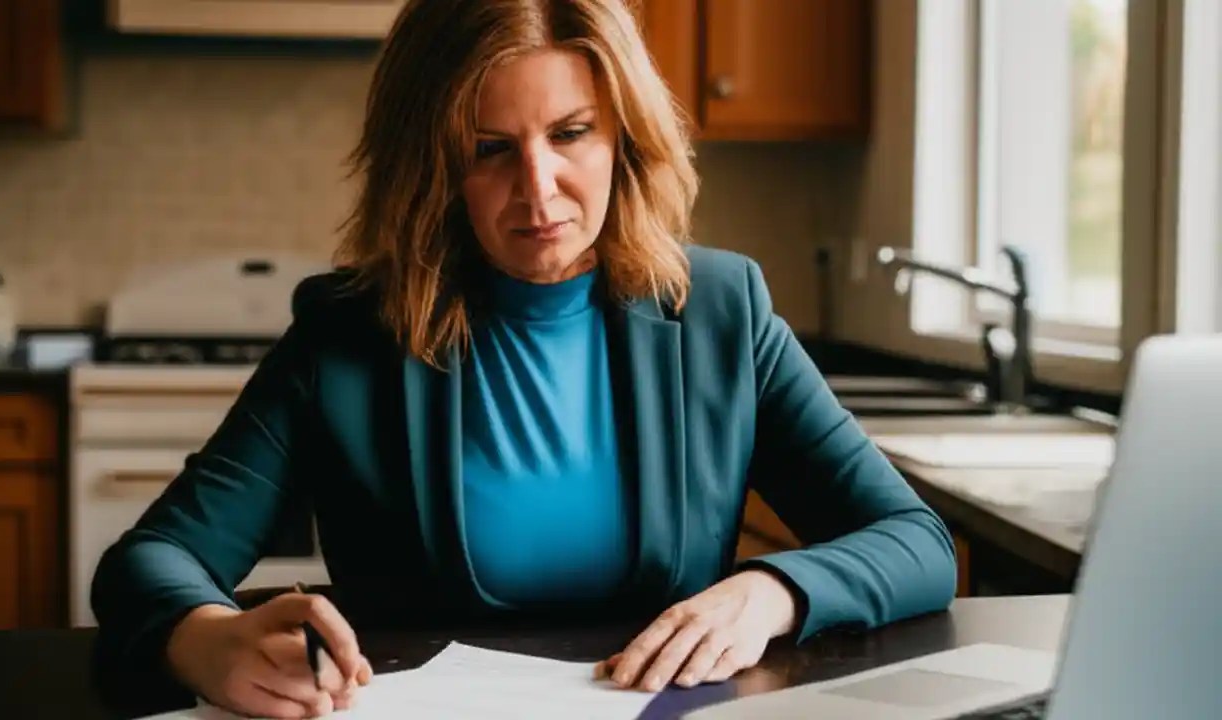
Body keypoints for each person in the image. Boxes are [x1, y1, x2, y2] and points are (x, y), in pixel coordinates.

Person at [91, 0, 957, 717]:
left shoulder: (722, 312)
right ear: (431, 165)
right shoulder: (346, 333)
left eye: (571, 133)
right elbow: (151, 561)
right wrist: (206, 639)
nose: (539, 190)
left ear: (624, 135)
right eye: (489, 149)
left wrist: (771, 594)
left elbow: (917, 543)